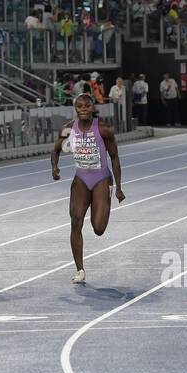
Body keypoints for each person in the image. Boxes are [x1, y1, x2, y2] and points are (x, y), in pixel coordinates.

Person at [51, 94, 125, 284]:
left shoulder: (103, 130)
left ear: (92, 108)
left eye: (86, 106)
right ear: (75, 109)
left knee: (98, 229)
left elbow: (115, 157)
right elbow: (56, 149)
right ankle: (80, 269)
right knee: (75, 222)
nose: (83, 109)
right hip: (81, 178)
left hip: (101, 178)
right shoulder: (68, 129)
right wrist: (55, 168)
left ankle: (101, 200)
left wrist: (118, 187)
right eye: (79, 106)